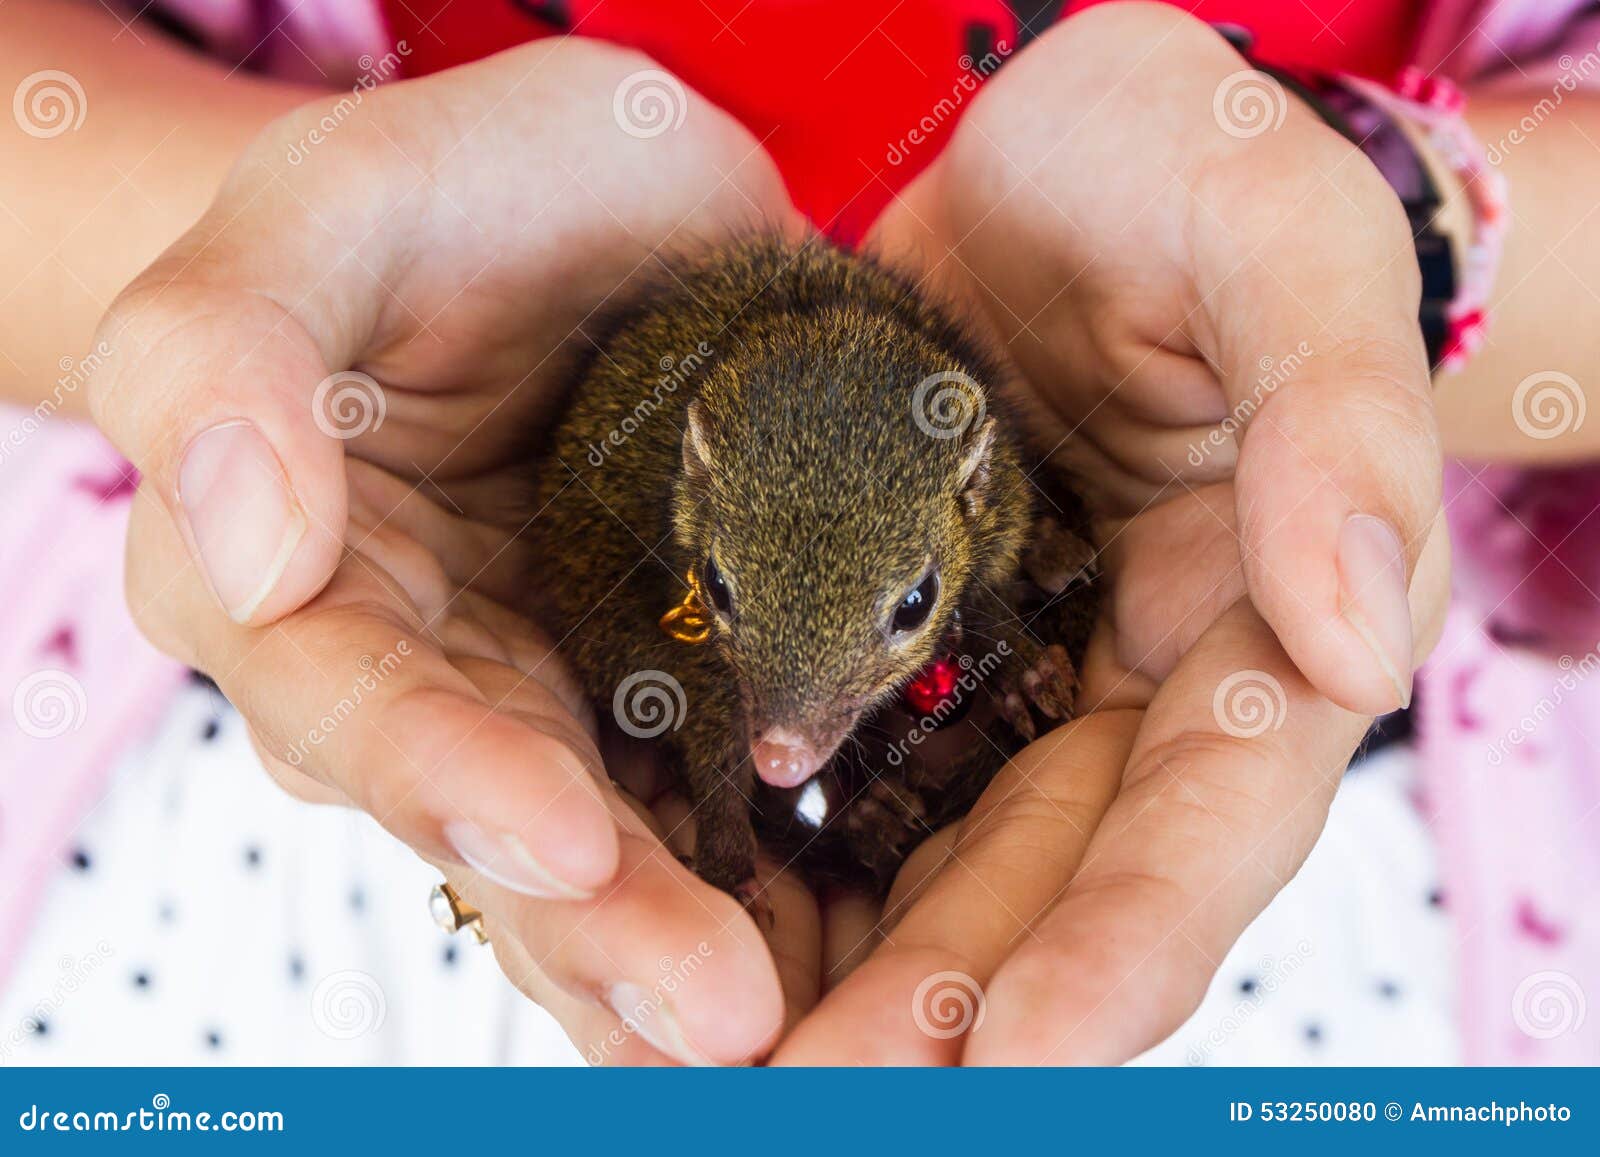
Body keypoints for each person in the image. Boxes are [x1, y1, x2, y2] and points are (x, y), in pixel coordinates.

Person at [1, 0, 1594, 1064]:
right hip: (279, 763)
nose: (786, 741)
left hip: (1343, 829)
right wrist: (299, 300)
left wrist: (1364, 253)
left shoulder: (997, 508)